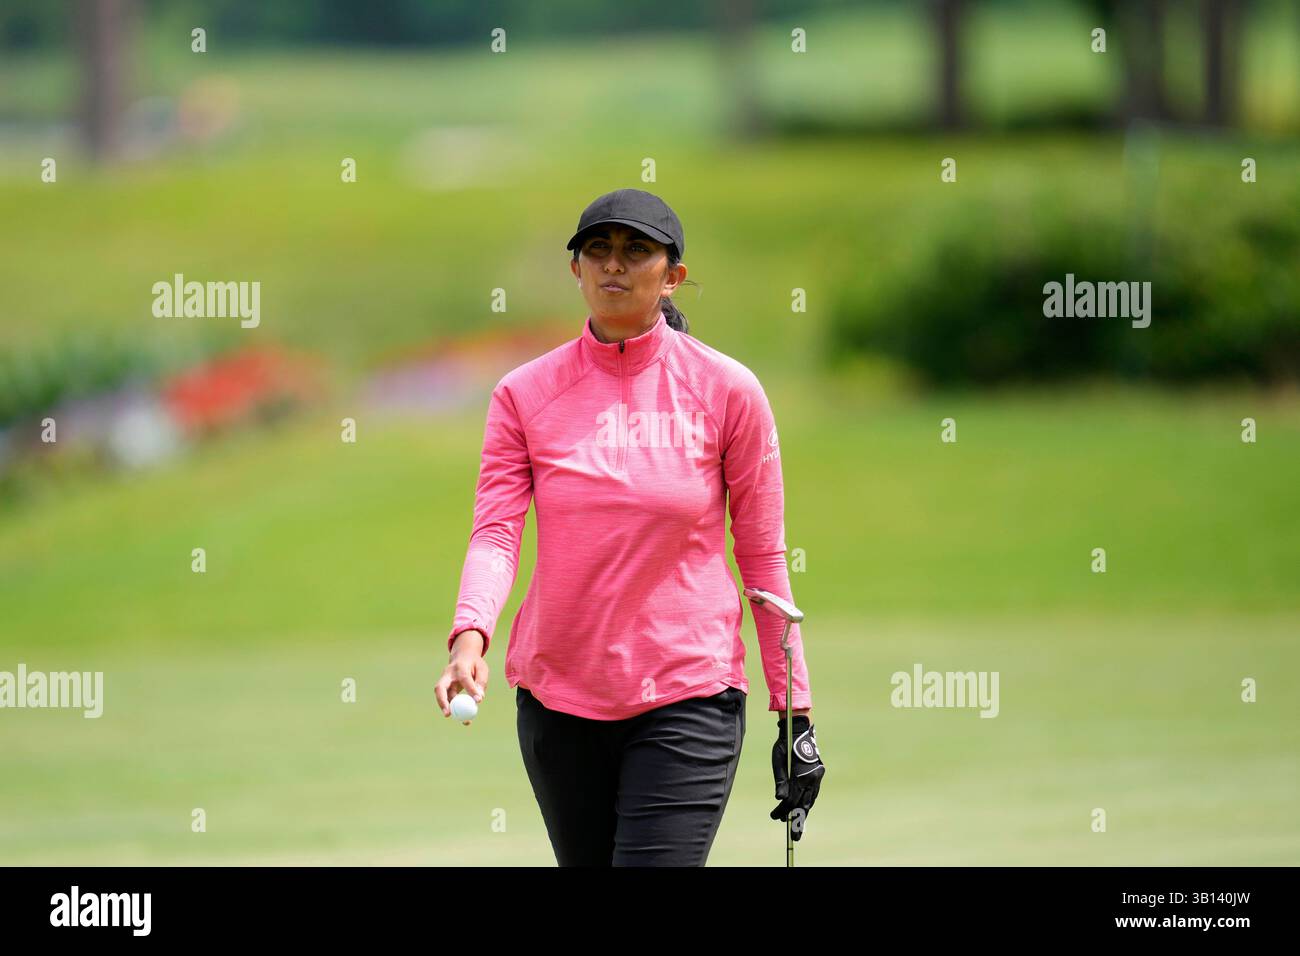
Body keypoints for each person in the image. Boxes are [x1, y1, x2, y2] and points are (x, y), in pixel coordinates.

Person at [435, 188, 825, 866]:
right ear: (576, 271)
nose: (614, 266)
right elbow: (497, 533)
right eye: (598, 251)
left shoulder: (729, 391)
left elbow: (762, 557)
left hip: (688, 692)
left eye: (636, 252)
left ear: (671, 275)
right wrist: (470, 638)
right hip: (559, 699)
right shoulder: (524, 394)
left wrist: (795, 712)